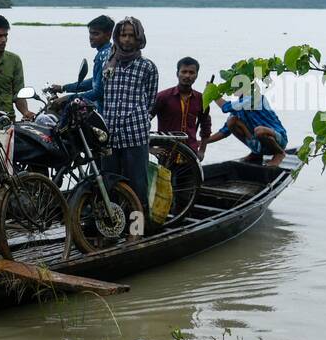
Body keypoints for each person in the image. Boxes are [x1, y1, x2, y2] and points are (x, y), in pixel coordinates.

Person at [100, 16, 158, 212]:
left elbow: (150, 100)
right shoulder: (108, 65)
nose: (126, 40)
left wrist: (137, 118)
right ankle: (112, 226)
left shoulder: (147, 67)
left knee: (137, 185)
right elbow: (105, 95)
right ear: (117, 37)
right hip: (109, 135)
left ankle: (138, 229)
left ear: (139, 38)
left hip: (135, 134)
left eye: (131, 36)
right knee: (109, 183)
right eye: (123, 35)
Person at [204, 85, 290, 167]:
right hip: (259, 143)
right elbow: (224, 132)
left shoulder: (255, 98)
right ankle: (256, 153)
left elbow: (226, 107)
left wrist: (213, 94)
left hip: (279, 140)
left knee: (259, 131)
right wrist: (202, 142)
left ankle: (279, 153)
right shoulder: (237, 108)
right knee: (231, 122)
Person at [49, 14, 114, 110]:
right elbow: (95, 82)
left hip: (105, 112)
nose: (91, 37)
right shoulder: (110, 51)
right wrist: (64, 88)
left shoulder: (103, 57)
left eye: (96, 34)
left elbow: (98, 92)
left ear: (108, 35)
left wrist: (68, 99)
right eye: (90, 33)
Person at [151, 57, 212, 156]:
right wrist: (150, 148)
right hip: (166, 153)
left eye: (191, 73)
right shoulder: (163, 97)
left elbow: (206, 126)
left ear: (196, 75)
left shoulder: (201, 99)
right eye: (184, 72)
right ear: (177, 74)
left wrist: (202, 151)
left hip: (190, 154)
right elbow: (143, 122)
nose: (187, 75)